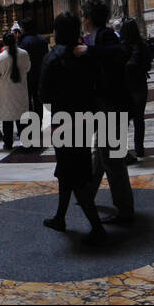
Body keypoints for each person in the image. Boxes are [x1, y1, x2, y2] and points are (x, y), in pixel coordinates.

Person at [40, 12, 107, 245]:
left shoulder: (53, 58)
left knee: (74, 176)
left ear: (57, 31)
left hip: (63, 123)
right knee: (68, 169)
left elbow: (44, 94)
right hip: (85, 119)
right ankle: (60, 217)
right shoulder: (84, 54)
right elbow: (97, 83)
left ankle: (97, 228)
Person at [80, 0, 134, 223]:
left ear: (89, 18)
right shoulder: (95, 39)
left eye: (83, 15)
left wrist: (89, 52)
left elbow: (119, 53)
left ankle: (125, 210)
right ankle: (87, 194)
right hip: (105, 107)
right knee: (102, 156)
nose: (81, 20)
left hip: (113, 106)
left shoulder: (105, 35)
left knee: (113, 160)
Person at [0, 31, 31, 150]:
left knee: (7, 118)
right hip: (21, 90)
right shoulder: (24, 53)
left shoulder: (0, 58)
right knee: (21, 116)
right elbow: (28, 68)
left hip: (6, 92)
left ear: (4, 43)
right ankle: (25, 141)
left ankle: (8, 143)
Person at [120, 18, 152, 162]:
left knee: (123, 120)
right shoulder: (143, 45)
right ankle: (139, 149)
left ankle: (124, 151)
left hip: (127, 86)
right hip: (140, 84)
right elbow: (148, 64)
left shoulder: (122, 48)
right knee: (139, 119)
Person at [18, 20, 48, 118]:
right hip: (40, 74)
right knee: (38, 100)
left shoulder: (23, 42)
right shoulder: (42, 40)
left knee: (27, 101)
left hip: (27, 75)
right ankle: (39, 123)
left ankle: (30, 124)